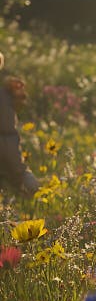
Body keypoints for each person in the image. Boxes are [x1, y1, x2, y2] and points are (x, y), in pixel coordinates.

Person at [0, 53, 39, 195]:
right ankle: (31, 191)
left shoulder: (7, 89)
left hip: (9, 137)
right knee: (17, 171)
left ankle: (35, 191)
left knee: (18, 172)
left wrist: (16, 90)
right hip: (9, 138)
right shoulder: (7, 90)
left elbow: (20, 102)